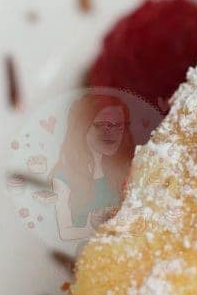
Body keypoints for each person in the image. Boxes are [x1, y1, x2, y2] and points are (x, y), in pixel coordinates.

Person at [50, 92, 135, 246]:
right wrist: (93, 227)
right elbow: (65, 232)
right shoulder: (64, 176)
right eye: (101, 125)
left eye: (119, 126)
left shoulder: (121, 168)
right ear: (82, 126)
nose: (113, 134)